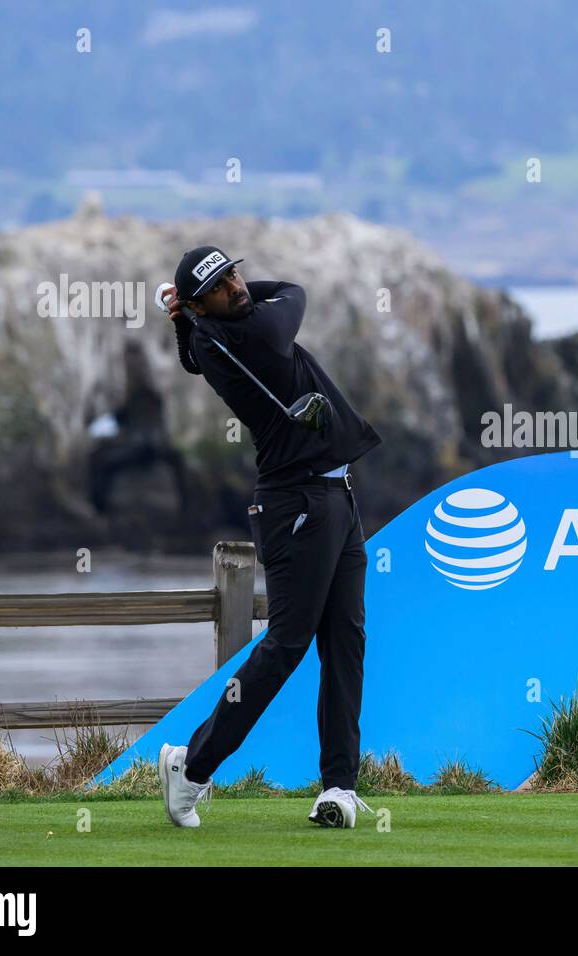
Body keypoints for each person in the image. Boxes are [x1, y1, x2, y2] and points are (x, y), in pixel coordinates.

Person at [157, 245, 381, 829]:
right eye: (222, 285)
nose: (237, 286)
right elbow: (295, 293)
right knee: (286, 644)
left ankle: (338, 788)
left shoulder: (213, 334)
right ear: (204, 304)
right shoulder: (254, 333)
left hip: (335, 495)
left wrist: (190, 314)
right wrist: (194, 315)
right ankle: (193, 766)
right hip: (299, 502)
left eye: (233, 272)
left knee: (345, 640)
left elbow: (195, 351)